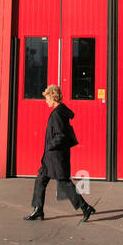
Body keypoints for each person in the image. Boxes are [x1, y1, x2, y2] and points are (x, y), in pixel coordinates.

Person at [24, 85, 96, 222]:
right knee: (40, 180)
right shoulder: (60, 112)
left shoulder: (57, 114)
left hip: (55, 156)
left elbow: (60, 136)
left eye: (47, 98)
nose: (46, 101)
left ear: (53, 97)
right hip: (51, 157)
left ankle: (85, 207)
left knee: (64, 183)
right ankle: (38, 209)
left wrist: (49, 146)